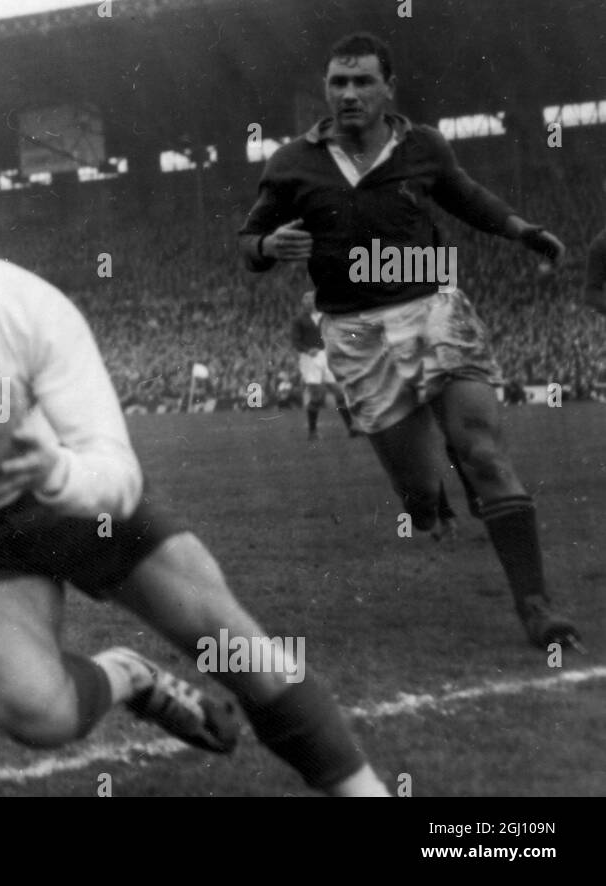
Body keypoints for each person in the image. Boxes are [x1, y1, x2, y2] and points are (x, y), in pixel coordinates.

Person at [0, 168, 390, 796]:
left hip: (68, 496)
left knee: (243, 653)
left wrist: (53, 469)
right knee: (38, 715)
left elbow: (117, 475)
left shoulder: (30, 308)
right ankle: (128, 676)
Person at [239, 32, 579, 650]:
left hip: (432, 309)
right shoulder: (292, 163)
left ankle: (537, 607)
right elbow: (248, 241)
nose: (349, 94)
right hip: (354, 332)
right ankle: (435, 499)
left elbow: (467, 197)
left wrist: (522, 229)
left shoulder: (421, 146)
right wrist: (267, 246)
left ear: (387, 88)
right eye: (338, 83)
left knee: (482, 452)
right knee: (420, 494)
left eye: (362, 81)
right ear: (325, 91)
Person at [291, 289, 355, 440]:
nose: (308, 301)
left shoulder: (325, 316)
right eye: (305, 299)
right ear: (303, 303)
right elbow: (296, 341)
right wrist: (307, 350)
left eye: (310, 298)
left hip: (326, 356)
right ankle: (312, 432)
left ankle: (351, 428)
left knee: (340, 394)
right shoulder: (299, 320)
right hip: (309, 359)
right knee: (318, 396)